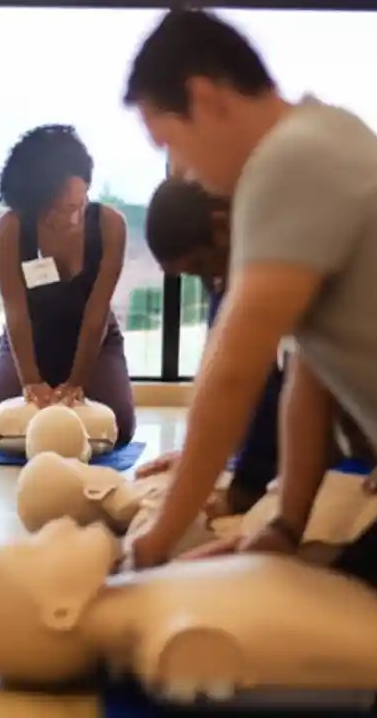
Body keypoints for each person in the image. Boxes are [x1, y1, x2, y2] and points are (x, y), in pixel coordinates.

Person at [121, 8, 377, 711]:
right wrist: (285, 526)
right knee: (360, 615)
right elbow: (310, 378)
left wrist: (150, 550)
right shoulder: (313, 149)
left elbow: (234, 371)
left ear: (206, 98)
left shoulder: (292, 162)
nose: (188, 172)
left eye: (173, 144)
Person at [0, 125, 135, 446]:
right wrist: (31, 383)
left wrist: (76, 384)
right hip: (29, 340)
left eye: (79, 205)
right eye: (61, 209)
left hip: (95, 340)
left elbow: (97, 313)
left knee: (118, 426)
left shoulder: (109, 225)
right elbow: (16, 312)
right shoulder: (12, 228)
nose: (73, 219)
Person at [135, 177, 280, 514]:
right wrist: (199, 457)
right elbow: (221, 382)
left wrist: (243, 490)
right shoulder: (222, 278)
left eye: (200, 265)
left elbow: (260, 386)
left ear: (222, 227)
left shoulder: (277, 261)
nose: (207, 281)